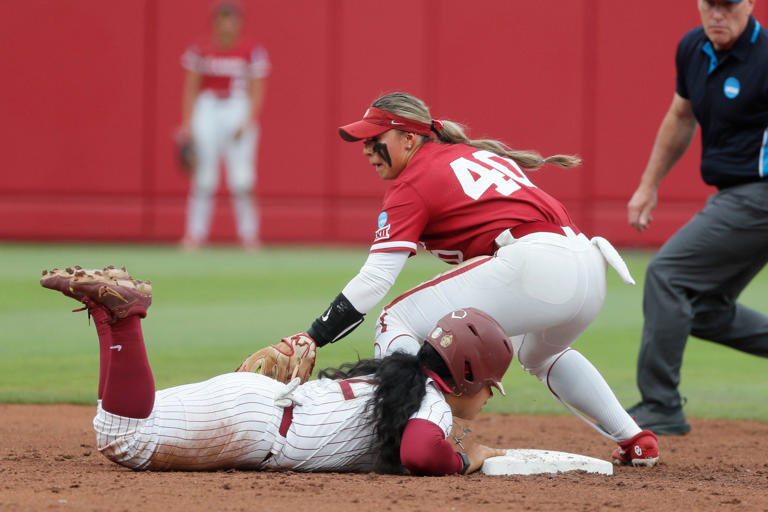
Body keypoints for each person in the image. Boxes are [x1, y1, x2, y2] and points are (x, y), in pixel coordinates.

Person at [241, 91, 660, 466]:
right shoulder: (469, 156)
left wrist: (314, 335)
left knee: (396, 320)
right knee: (541, 356)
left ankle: (408, 431)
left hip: (536, 262)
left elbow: (376, 278)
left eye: (376, 138)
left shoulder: (414, 180)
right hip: (587, 263)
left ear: (409, 139)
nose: (367, 149)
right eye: (364, 141)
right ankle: (636, 440)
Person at [40, 266, 513, 475]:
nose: (489, 397)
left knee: (117, 420)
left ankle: (108, 314)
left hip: (253, 400)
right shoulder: (430, 401)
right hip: (255, 427)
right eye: (490, 385)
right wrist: (466, 458)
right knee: (127, 438)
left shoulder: (400, 376)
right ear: (467, 374)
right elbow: (420, 453)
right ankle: (124, 319)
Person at [626, 0, 768, 435]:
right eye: (710, 4)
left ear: (750, 5)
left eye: (728, 5)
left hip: (758, 195)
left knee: (668, 275)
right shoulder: (693, 47)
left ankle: (661, 406)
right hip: (737, 196)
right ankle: (661, 404)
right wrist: (649, 184)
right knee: (701, 308)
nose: (718, 15)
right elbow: (681, 115)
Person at [179, 0, 269, 250]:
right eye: (223, 19)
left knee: (242, 178)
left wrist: (248, 119)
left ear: (239, 22)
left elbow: (257, 88)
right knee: (204, 177)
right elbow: (191, 87)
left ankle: (249, 235)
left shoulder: (251, 50)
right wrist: (187, 124)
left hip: (237, 107)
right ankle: (194, 235)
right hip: (207, 108)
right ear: (215, 22)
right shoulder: (201, 49)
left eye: (232, 19)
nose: (227, 24)